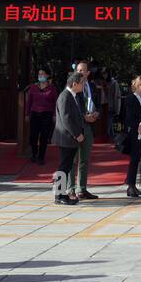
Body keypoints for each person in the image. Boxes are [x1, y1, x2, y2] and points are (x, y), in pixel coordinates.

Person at [53, 73, 89, 205]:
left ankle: (62, 194)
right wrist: (77, 134)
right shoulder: (64, 96)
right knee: (63, 166)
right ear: (74, 84)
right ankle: (59, 195)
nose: (83, 85)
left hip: (70, 138)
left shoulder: (73, 96)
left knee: (67, 166)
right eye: (81, 83)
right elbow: (66, 119)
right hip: (66, 137)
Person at [72, 60, 101, 200]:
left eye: (82, 70)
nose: (80, 73)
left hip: (89, 126)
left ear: (88, 73)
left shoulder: (93, 87)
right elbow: (70, 109)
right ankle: (70, 189)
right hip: (77, 126)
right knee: (72, 159)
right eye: (78, 70)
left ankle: (81, 189)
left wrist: (96, 115)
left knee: (85, 159)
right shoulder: (72, 87)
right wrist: (84, 117)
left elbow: (98, 105)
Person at [122, 75, 141, 198]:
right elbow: (129, 117)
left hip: (140, 132)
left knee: (137, 159)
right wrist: (138, 129)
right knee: (134, 159)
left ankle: (133, 185)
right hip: (134, 133)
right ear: (137, 86)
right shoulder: (130, 98)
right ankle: (130, 186)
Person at [24, 68, 58, 165]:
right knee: (33, 136)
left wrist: (55, 115)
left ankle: (41, 156)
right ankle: (34, 153)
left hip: (47, 114)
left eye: (43, 74)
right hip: (34, 113)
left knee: (44, 137)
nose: (41, 76)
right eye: (39, 74)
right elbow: (29, 102)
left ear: (47, 76)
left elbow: (55, 102)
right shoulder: (33, 87)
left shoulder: (52, 88)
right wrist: (27, 114)